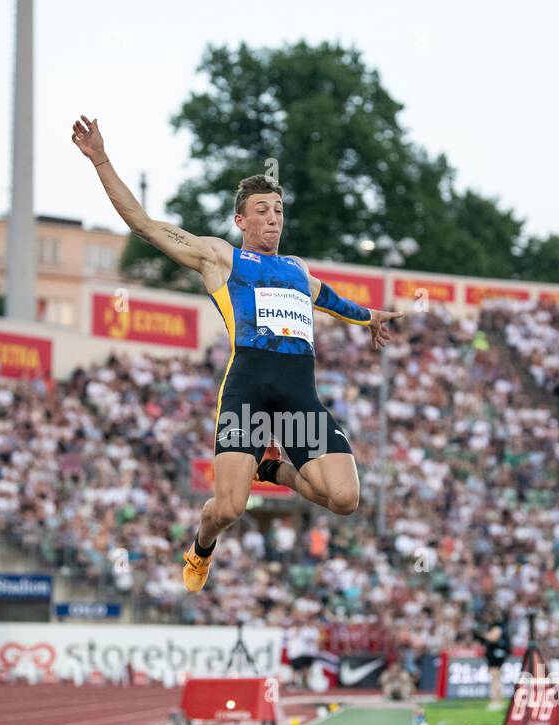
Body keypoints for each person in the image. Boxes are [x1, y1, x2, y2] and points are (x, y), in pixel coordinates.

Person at [71, 115, 403, 593]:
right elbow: (144, 225)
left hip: (297, 396)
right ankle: (200, 549)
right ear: (241, 220)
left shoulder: (296, 268)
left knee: (346, 498)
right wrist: (101, 159)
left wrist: (369, 317)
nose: (273, 218)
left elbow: (325, 296)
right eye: (262, 210)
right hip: (248, 389)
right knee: (227, 508)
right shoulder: (221, 258)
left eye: (279, 211)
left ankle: (275, 469)